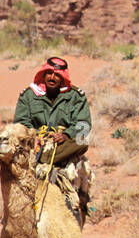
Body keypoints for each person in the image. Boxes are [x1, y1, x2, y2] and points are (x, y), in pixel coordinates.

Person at [13, 56, 92, 218]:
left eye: (57, 75)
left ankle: (47, 160)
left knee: (82, 139)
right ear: (43, 74)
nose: (52, 77)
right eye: (48, 73)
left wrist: (66, 134)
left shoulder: (76, 96)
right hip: (35, 144)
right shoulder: (28, 96)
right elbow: (20, 123)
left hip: (64, 145)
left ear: (63, 77)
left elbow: (83, 124)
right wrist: (34, 136)